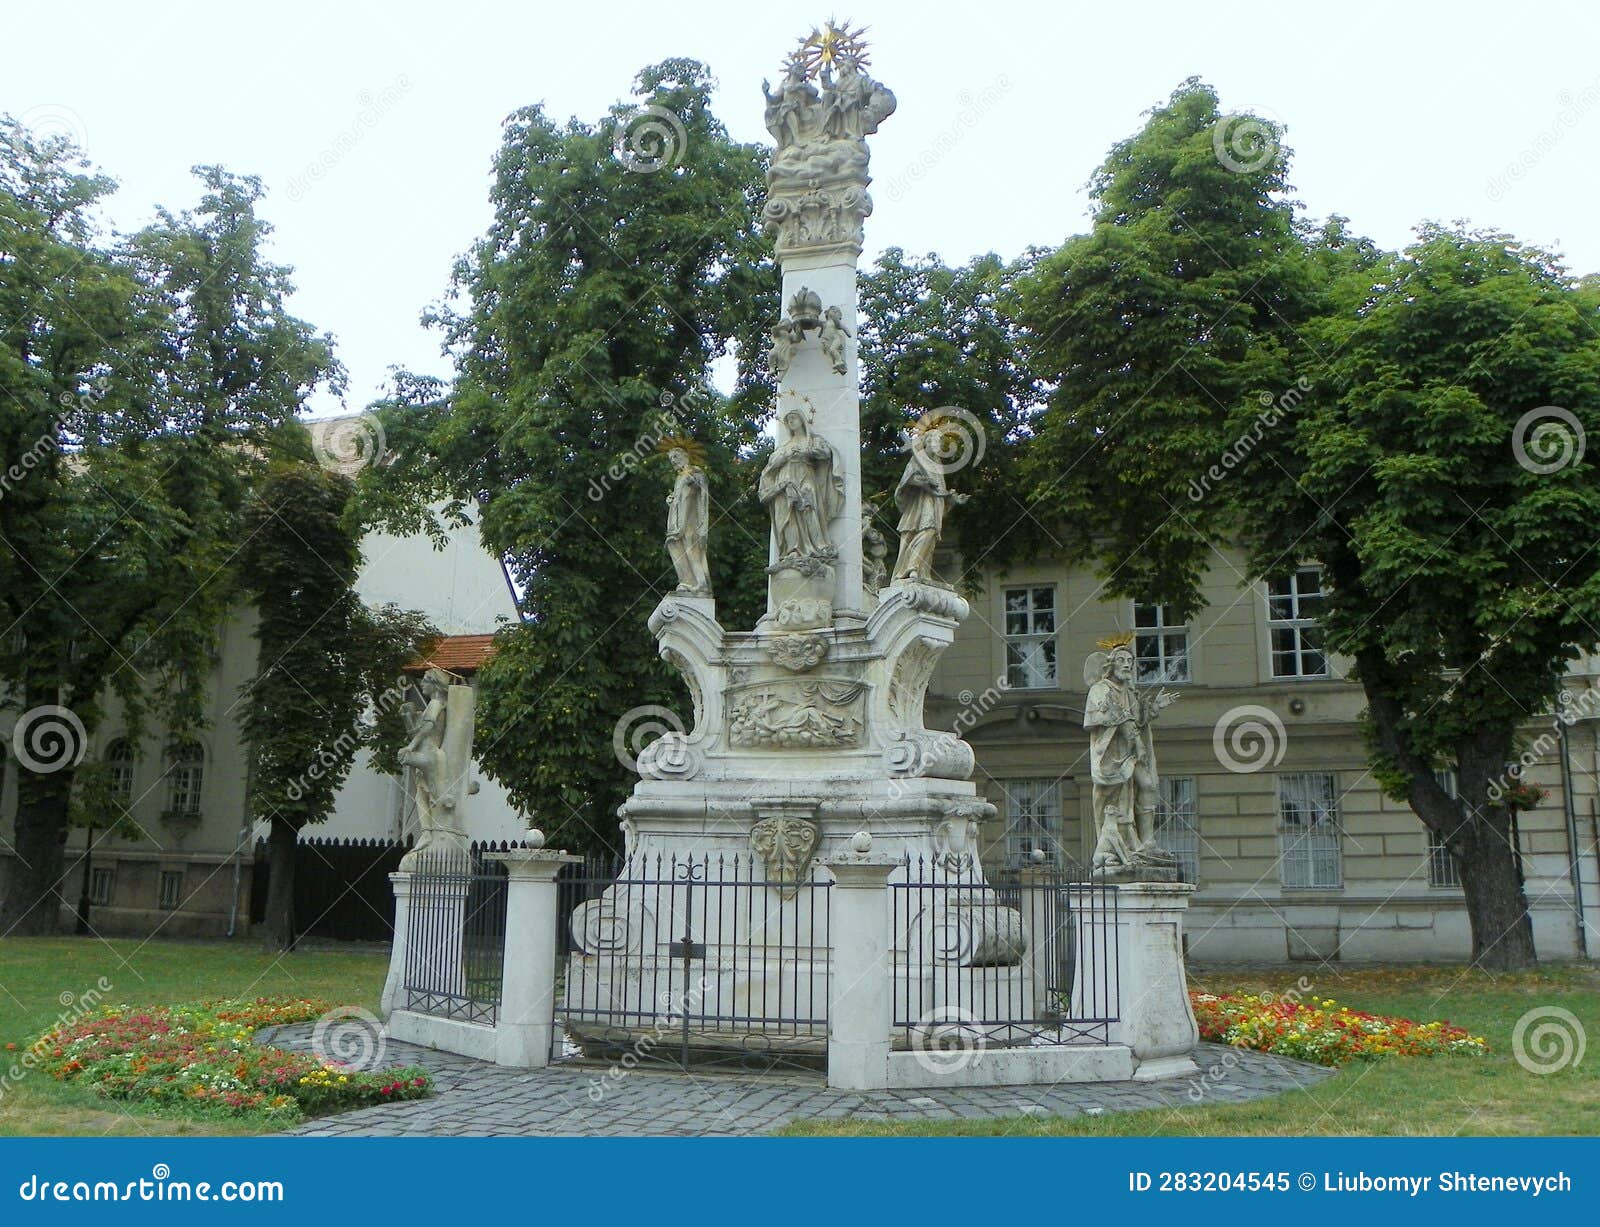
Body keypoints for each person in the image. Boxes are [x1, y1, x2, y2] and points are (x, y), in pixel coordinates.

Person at [664, 447, 711, 595]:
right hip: (678, 522)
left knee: (692, 550)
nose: (673, 461)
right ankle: (687, 581)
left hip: (691, 521)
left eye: (675, 457)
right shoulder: (680, 477)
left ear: (685, 457)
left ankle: (701, 583)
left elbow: (700, 487)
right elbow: (680, 498)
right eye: (671, 459)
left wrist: (693, 480)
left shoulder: (694, 472)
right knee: (678, 548)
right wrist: (671, 499)